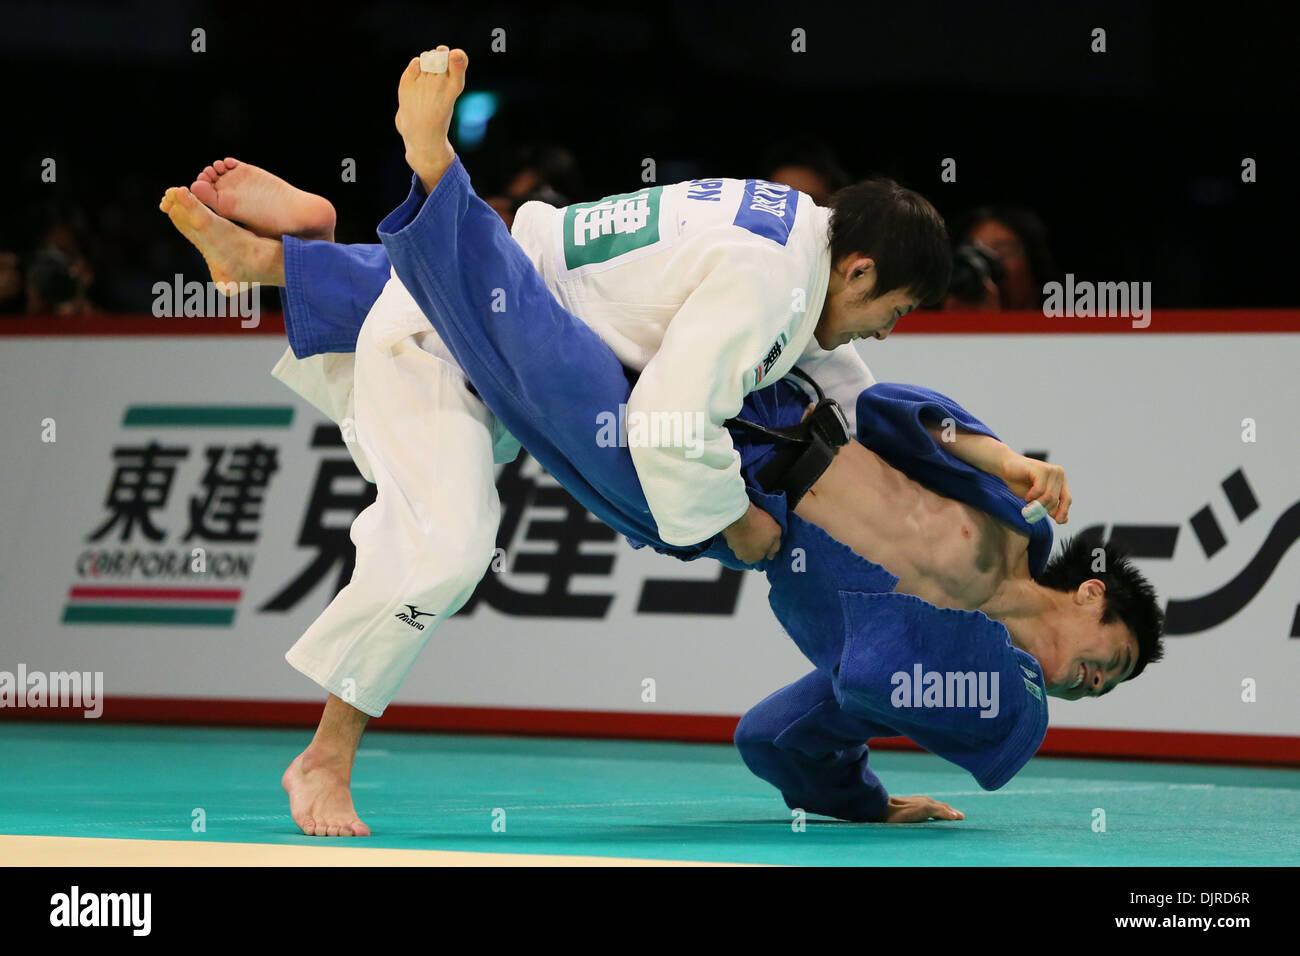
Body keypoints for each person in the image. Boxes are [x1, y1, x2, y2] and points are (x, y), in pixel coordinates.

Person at [159, 46, 1161, 833]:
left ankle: (294, 262)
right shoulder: (792, 307)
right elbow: (833, 411)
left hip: (623, 364)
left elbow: (794, 721)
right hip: (680, 433)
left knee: (504, 363)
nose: (1090, 683)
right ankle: (422, 194)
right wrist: (742, 520)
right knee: (462, 511)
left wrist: (863, 798)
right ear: (1090, 593)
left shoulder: (797, 243)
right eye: (1105, 661)